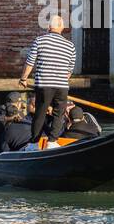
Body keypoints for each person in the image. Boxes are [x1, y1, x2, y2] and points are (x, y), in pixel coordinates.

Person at [20, 16, 76, 147]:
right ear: (62, 28)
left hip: (44, 84)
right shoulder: (70, 46)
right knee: (59, 113)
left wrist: (23, 78)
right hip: (62, 86)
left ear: (48, 27)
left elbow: (30, 62)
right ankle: (52, 141)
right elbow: (69, 70)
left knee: (40, 113)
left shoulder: (40, 40)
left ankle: (34, 144)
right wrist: (61, 80)